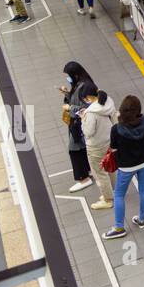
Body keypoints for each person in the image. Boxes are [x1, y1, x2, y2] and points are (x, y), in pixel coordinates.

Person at [103, 94, 144, 239]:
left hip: (127, 166)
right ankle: (142, 219)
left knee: (119, 194)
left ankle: (119, 227)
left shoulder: (116, 129)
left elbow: (113, 148)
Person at [59, 63, 97, 192]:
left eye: (68, 76)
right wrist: (67, 94)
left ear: (75, 74)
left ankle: (83, 178)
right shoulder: (80, 84)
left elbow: (85, 108)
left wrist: (70, 108)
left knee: (74, 149)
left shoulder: (84, 87)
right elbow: (76, 101)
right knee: (82, 148)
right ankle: (88, 170)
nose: (68, 79)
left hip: (79, 124)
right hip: (78, 124)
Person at [80, 86, 117, 210]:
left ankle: (108, 199)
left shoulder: (90, 113)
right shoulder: (108, 101)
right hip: (109, 140)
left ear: (88, 97)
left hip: (96, 146)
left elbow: (88, 132)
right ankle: (113, 192)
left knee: (100, 173)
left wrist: (82, 120)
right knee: (111, 167)